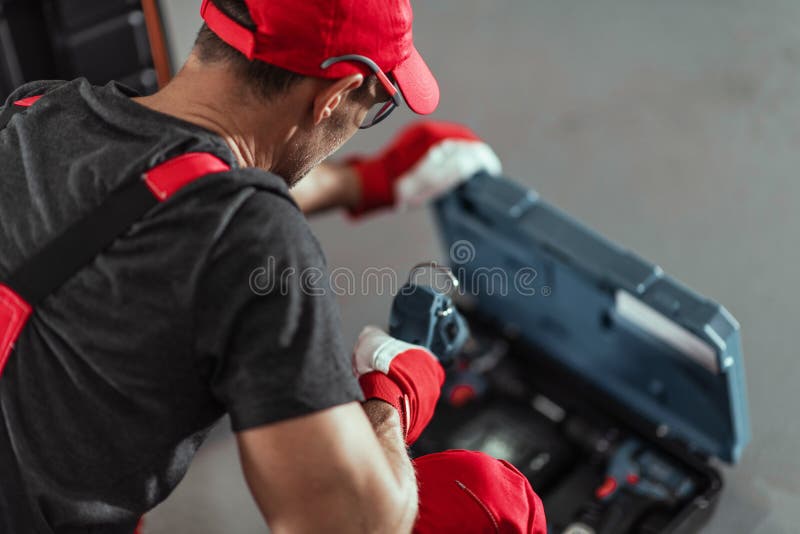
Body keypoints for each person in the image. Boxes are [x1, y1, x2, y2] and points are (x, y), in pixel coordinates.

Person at [0, 0, 546, 532]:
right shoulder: (256, 241)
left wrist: (366, 183)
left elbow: (170, 198)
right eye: (374, 108)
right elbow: (351, 522)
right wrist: (391, 399)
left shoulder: (41, 114)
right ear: (337, 94)